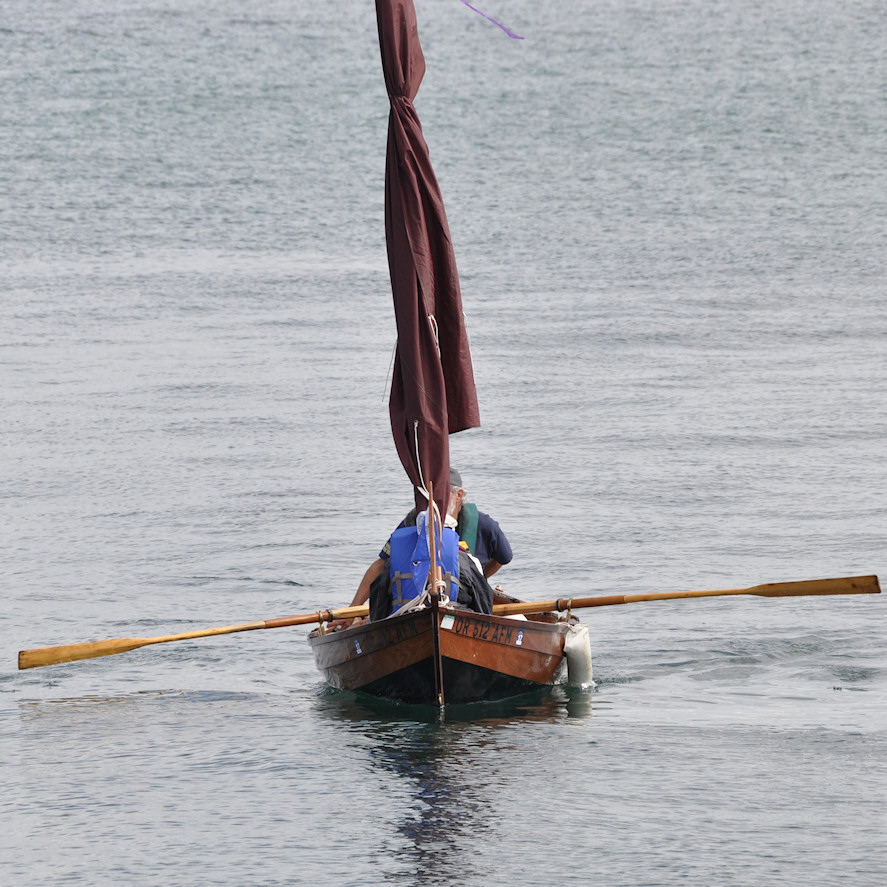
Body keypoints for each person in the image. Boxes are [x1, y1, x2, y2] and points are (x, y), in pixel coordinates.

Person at [334, 469, 512, 621]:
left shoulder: (484, 524)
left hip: (463, 601)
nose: (435, 502)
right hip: (413, 602)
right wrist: (352, 611)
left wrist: (474, 579)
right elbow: (381, 565)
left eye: (443, 493)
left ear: (459, 495)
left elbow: (503, 557)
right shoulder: (415, 521)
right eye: (428, 495)